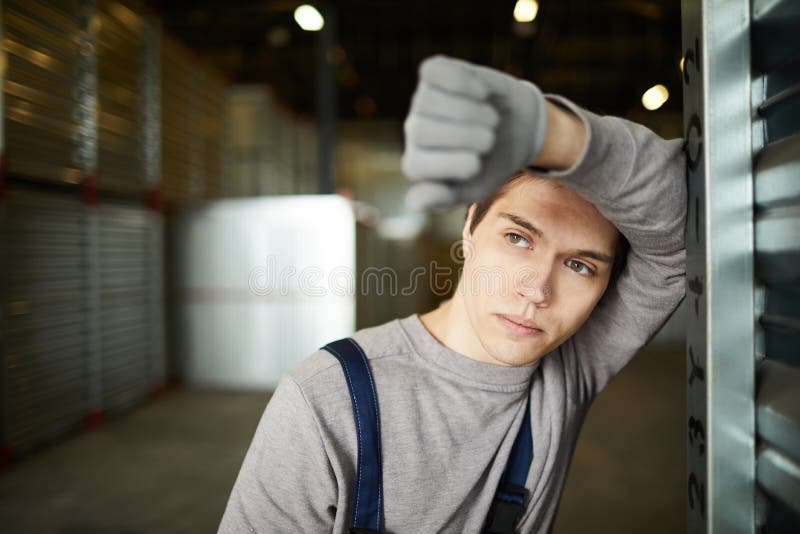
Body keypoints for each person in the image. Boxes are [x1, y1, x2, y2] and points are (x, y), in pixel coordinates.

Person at [218, 55, 686, 533]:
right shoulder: (324, 399)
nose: (537, 290)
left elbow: (686, 219)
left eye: (579, 265)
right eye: (519, 238)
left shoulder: (568, 370)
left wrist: (551, 132)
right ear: (470, 228)